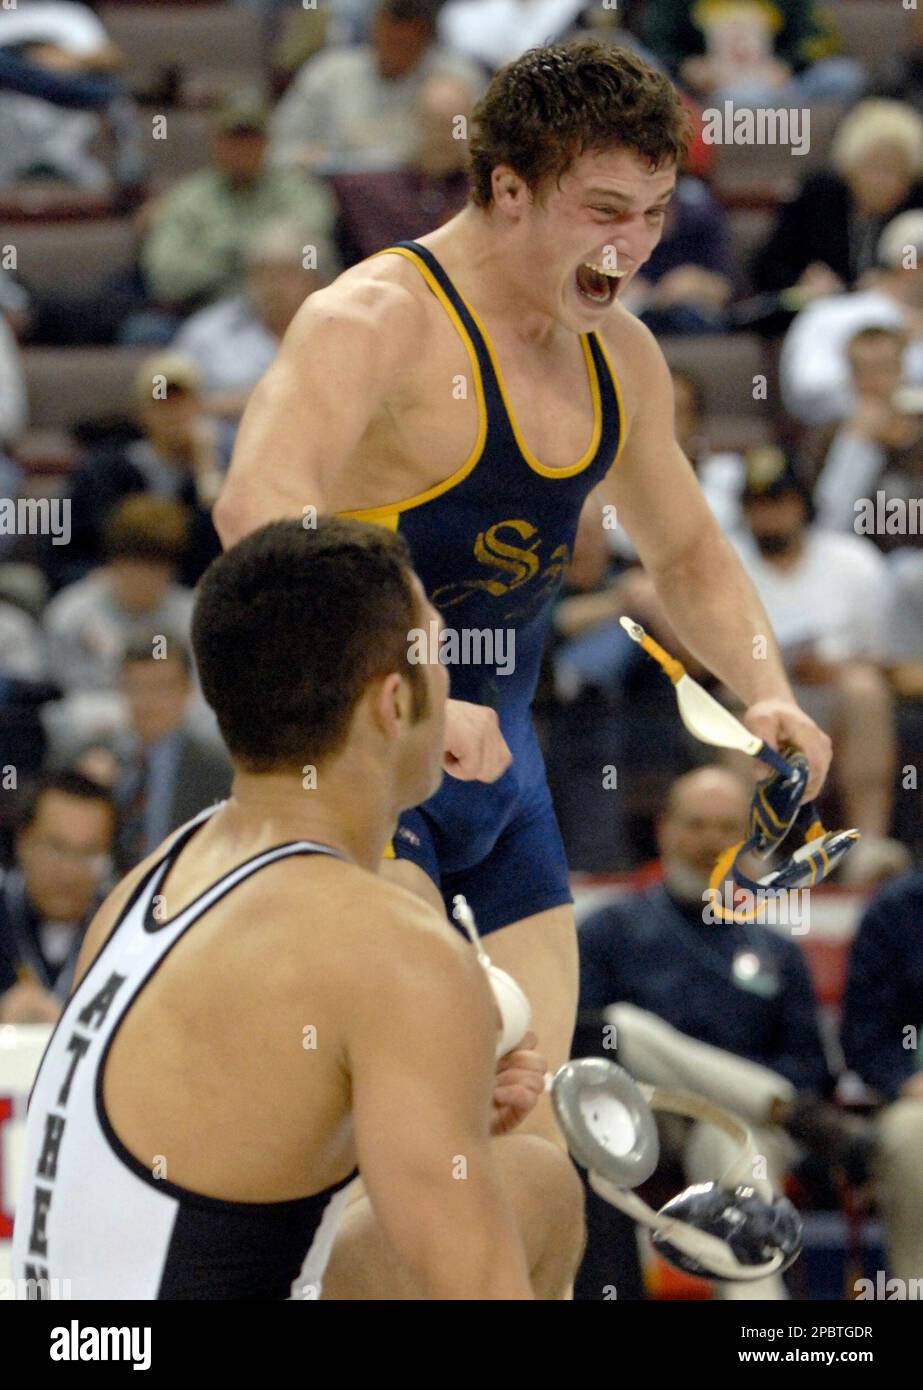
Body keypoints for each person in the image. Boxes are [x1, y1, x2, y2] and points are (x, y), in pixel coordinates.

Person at [216, 39, 833, 1166]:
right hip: (358, 771)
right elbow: (258, 505)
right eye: (601, 209)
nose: (630, 247)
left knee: (540, 1147)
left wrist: (767, 690)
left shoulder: (621, 358)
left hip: (504, 773)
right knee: (384, 1149)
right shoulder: (375, 319)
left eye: (652, 212)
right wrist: (403, 669)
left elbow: (689, 550)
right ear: (507, 188)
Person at [12, 517, 583, 1300]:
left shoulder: (153, 876)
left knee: (529, 1185)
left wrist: (418, 1104)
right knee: (531, 1202)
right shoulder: (386, 947)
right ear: (393, 703)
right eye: (438, 651)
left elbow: (223, 1147)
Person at [578, 766, 835, 1299]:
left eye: (726, 827)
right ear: (664, 830)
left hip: (743, 1129)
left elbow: (811, 1071)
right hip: (638, 1117)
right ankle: (767, 1102)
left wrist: (722, 1097)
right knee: (621, 1025)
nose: (710, 842)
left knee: (728, 1142)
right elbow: (580, 1048)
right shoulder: (609, 931)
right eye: (696, 825)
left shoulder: (775, 951)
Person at [141, 90, 335, 316]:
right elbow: (166, 278)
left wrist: (219, 255)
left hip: (290, 313)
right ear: (215, 142)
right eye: (234, 138)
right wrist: (250, 258)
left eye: (251, 138)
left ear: (267, 142)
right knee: (147, 330)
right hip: (207, 311)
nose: (242, 148)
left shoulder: (303, 193)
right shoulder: (187, 199)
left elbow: (308, 262)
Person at [268, 0, 484, 175]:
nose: (395, 47)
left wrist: (450, 142)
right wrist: (307, 159)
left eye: (405, 41)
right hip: (339, 197)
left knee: (446, 98)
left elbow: (479, 148)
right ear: (374, 28)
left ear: (425, 37)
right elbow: (278, 148)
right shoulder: (328, 73)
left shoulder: (458, 77)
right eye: (389, 36)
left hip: (425, 193)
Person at [841, 865, 923, 1285]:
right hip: (918, 1099)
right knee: (912, 1134)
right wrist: (905, 1080)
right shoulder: (898, 910)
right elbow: (866, 1034)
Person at [0, 771, 115, 1026]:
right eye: (56, 848)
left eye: (89, 853)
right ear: (23, 842)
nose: (70, 872)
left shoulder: (123, 931)